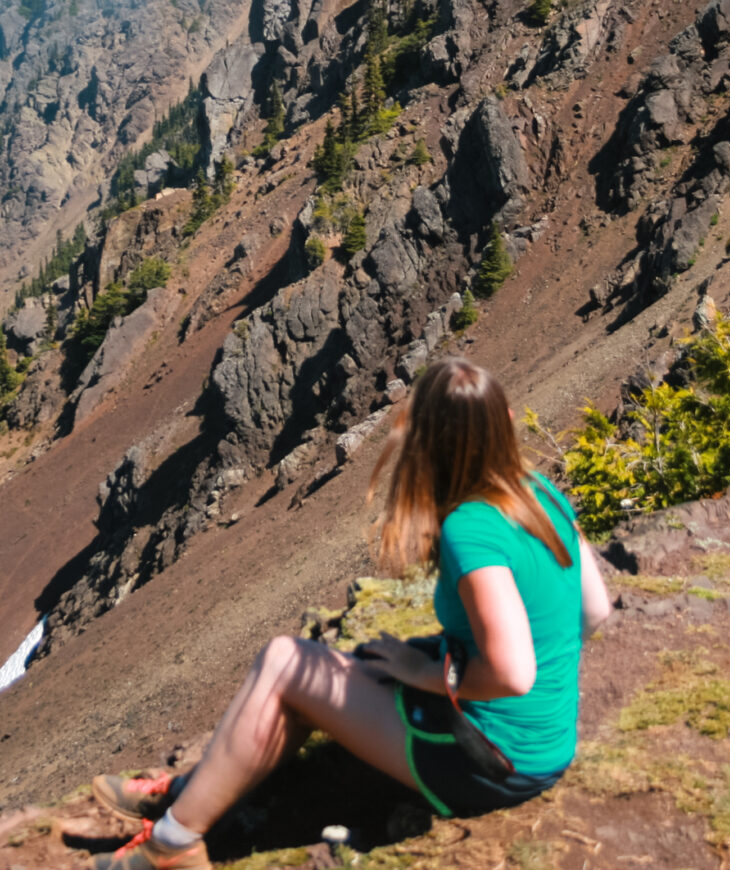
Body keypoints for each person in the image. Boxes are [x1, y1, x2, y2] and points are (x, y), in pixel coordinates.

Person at [84, 358, 613, 870]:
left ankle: (174, 842)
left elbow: (513, 673)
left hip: (493, 762)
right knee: (336, 668)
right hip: (545, 746)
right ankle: (191, 791)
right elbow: (594, 611)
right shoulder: (541, 492)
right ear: (504, 424)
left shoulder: (470, 529)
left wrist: (424, 673)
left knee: (284, 663)